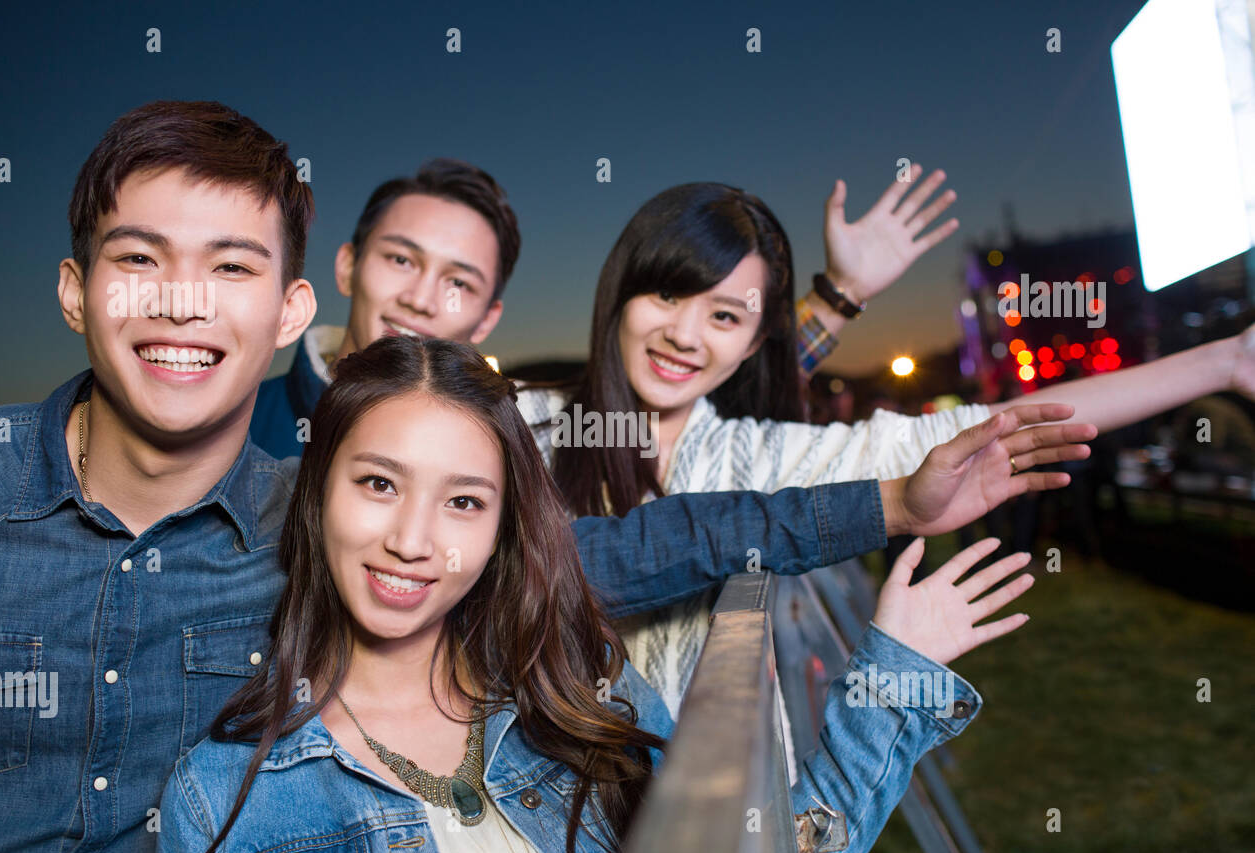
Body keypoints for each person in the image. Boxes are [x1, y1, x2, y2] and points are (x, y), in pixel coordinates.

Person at [0, 100, 956, 853]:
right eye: (141, 259)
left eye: (228, 269)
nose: (182, 305)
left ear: (290, 304)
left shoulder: (334, 517)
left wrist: (892, 488)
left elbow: (656, 504)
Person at [158, 336, 1055, 853]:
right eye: (380, 485)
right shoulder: (224, 802)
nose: (414, 541)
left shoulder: (586, 693)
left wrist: (893, 675)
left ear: (507, 526)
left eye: (465, 500)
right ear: (316, 496)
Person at [519, 181, 1255, 717]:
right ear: (619, 292)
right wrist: (839, 292)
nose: (685, 334)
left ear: (753, 342)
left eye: (724, 314)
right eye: (666, 296)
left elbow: (993, 422)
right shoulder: (519, 429)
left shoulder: (765, 459)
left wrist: (1222, 363)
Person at [247, 159, 960, 460]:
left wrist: (839, 296)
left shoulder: (513, 430)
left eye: (459, 282)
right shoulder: (240, 424)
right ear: (347, 265)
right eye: (400, 260)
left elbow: (690, 381)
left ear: (489, 319)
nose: (421, 298)